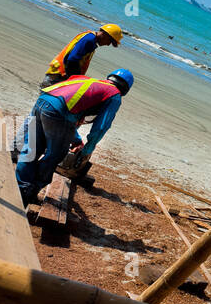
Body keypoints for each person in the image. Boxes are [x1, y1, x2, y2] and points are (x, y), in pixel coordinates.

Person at [15, 69, 133, 207]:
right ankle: (28, 193)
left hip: (42, 101)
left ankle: (20, 187)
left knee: (31, 149)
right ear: (125, 89)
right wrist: (87, 149)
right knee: (54, 155)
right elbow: (101, 127)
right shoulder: (114, 96)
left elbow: (65, 108)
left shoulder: (87, 80)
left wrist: (75, 139)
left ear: (110, 78)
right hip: (57, 112)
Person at [43, 23, 122, 86]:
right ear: (105, 35)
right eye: (110, 41)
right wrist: (75, 80)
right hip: (60, 75)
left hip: (59, 73)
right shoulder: (89, 40)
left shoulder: (90, 38)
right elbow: (72, 60)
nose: (108, 44)